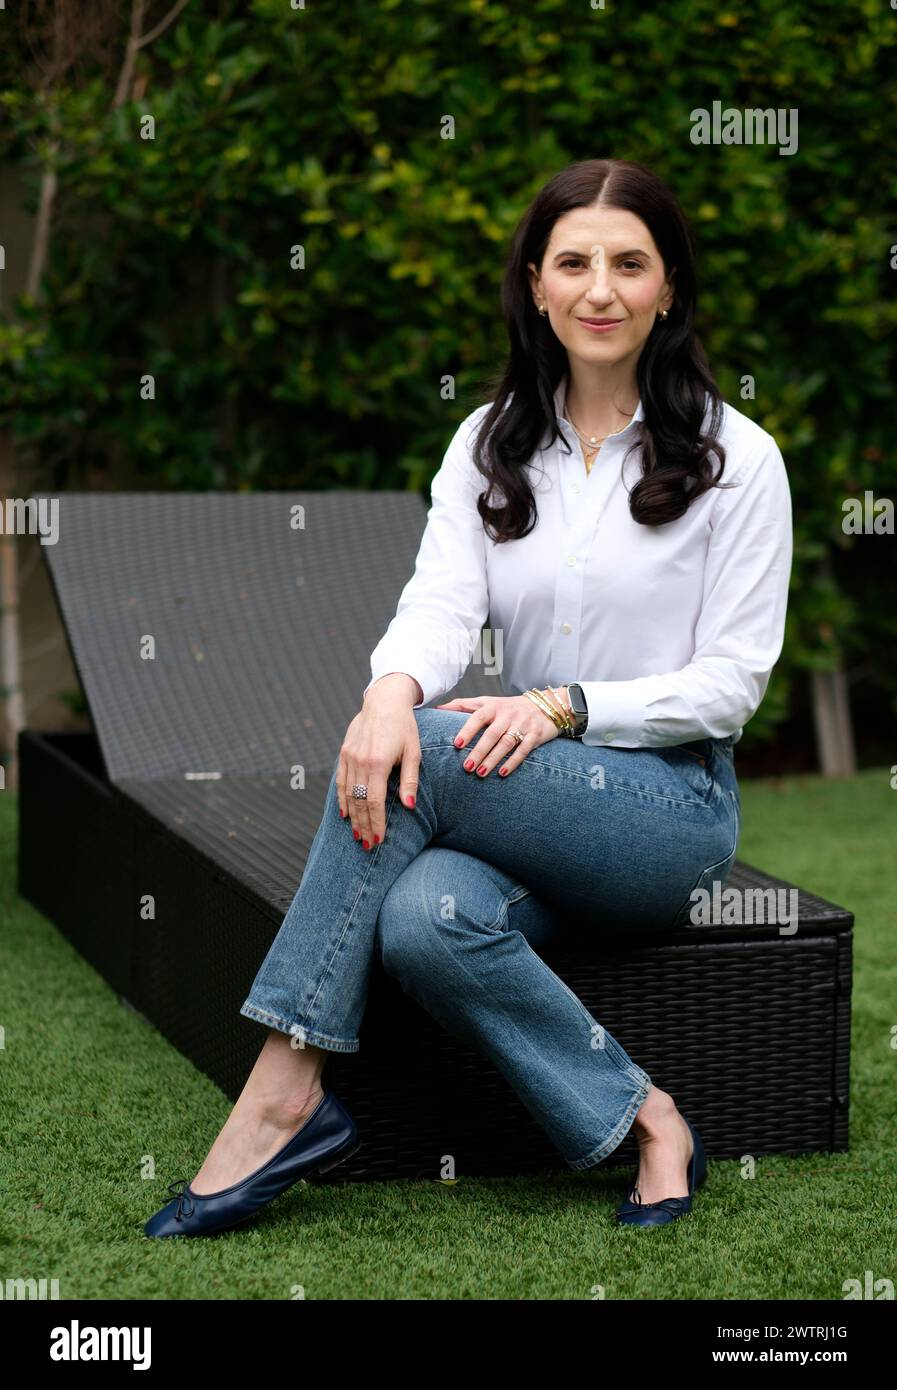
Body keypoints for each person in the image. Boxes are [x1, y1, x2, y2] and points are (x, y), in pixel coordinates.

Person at [145, 157, 792, 1238]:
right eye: (573, 262)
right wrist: (389, 689)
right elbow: (439, 605)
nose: (601, 289)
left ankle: (282, 1089)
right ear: (535, 284)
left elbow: (733, 683)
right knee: (425, 918)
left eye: (630, 264)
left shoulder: (739, 459)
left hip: (668, 815)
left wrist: (563, 706)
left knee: (426, 749)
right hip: (533, 804)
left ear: (669, 287)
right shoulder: (489, 441)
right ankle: (648, 1122)